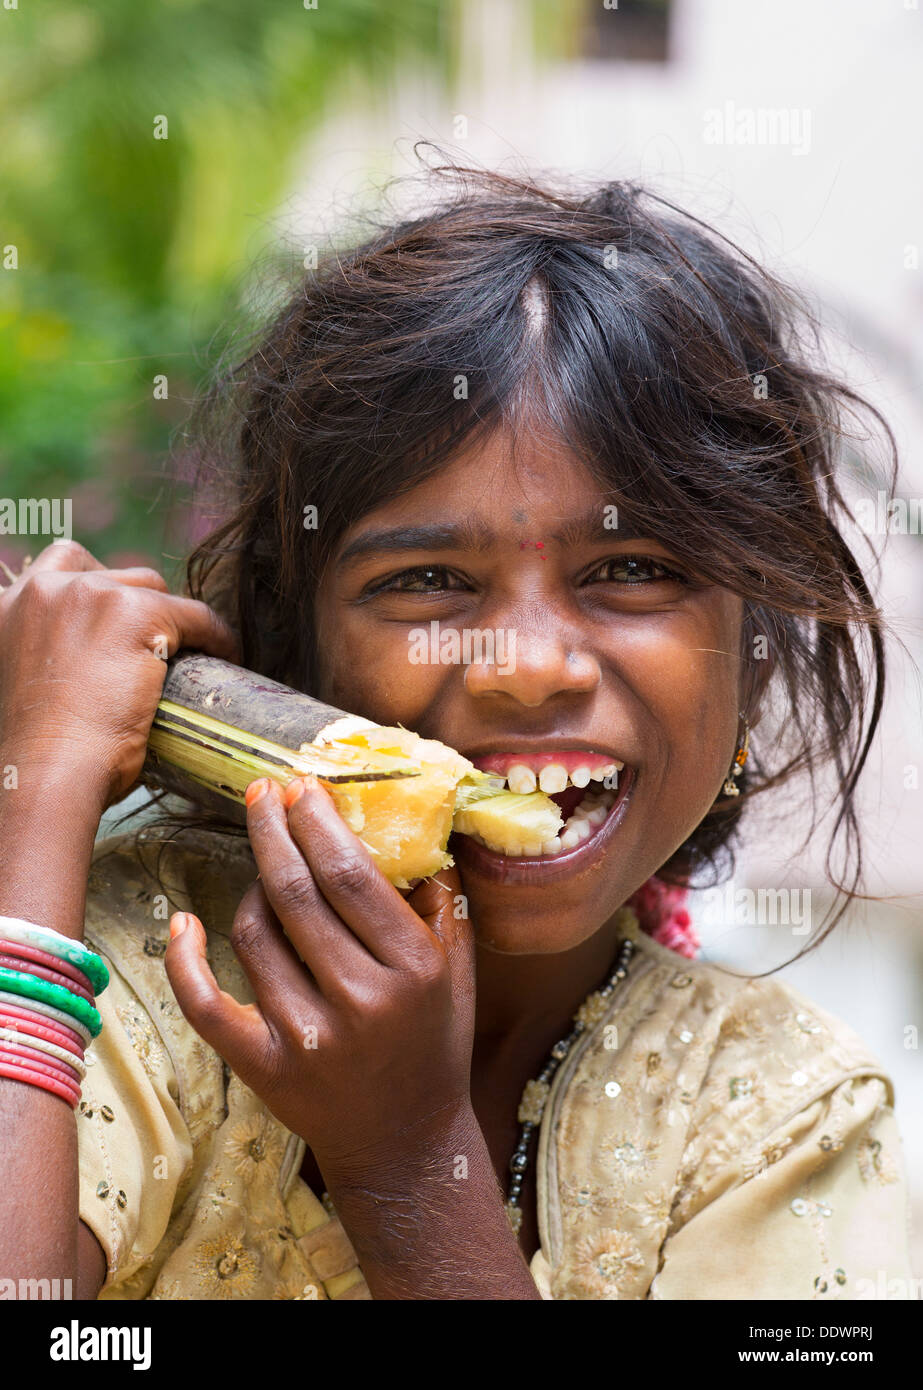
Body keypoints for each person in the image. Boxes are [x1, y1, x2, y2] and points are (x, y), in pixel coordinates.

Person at [0, 163, 914, 1301]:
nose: (527, 668)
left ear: (749, 645)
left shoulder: (777, 1117)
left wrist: (402, 1162)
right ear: (296, 654)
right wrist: (37, 788)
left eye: (629, 569)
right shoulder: (142, 968)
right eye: (429, 578)